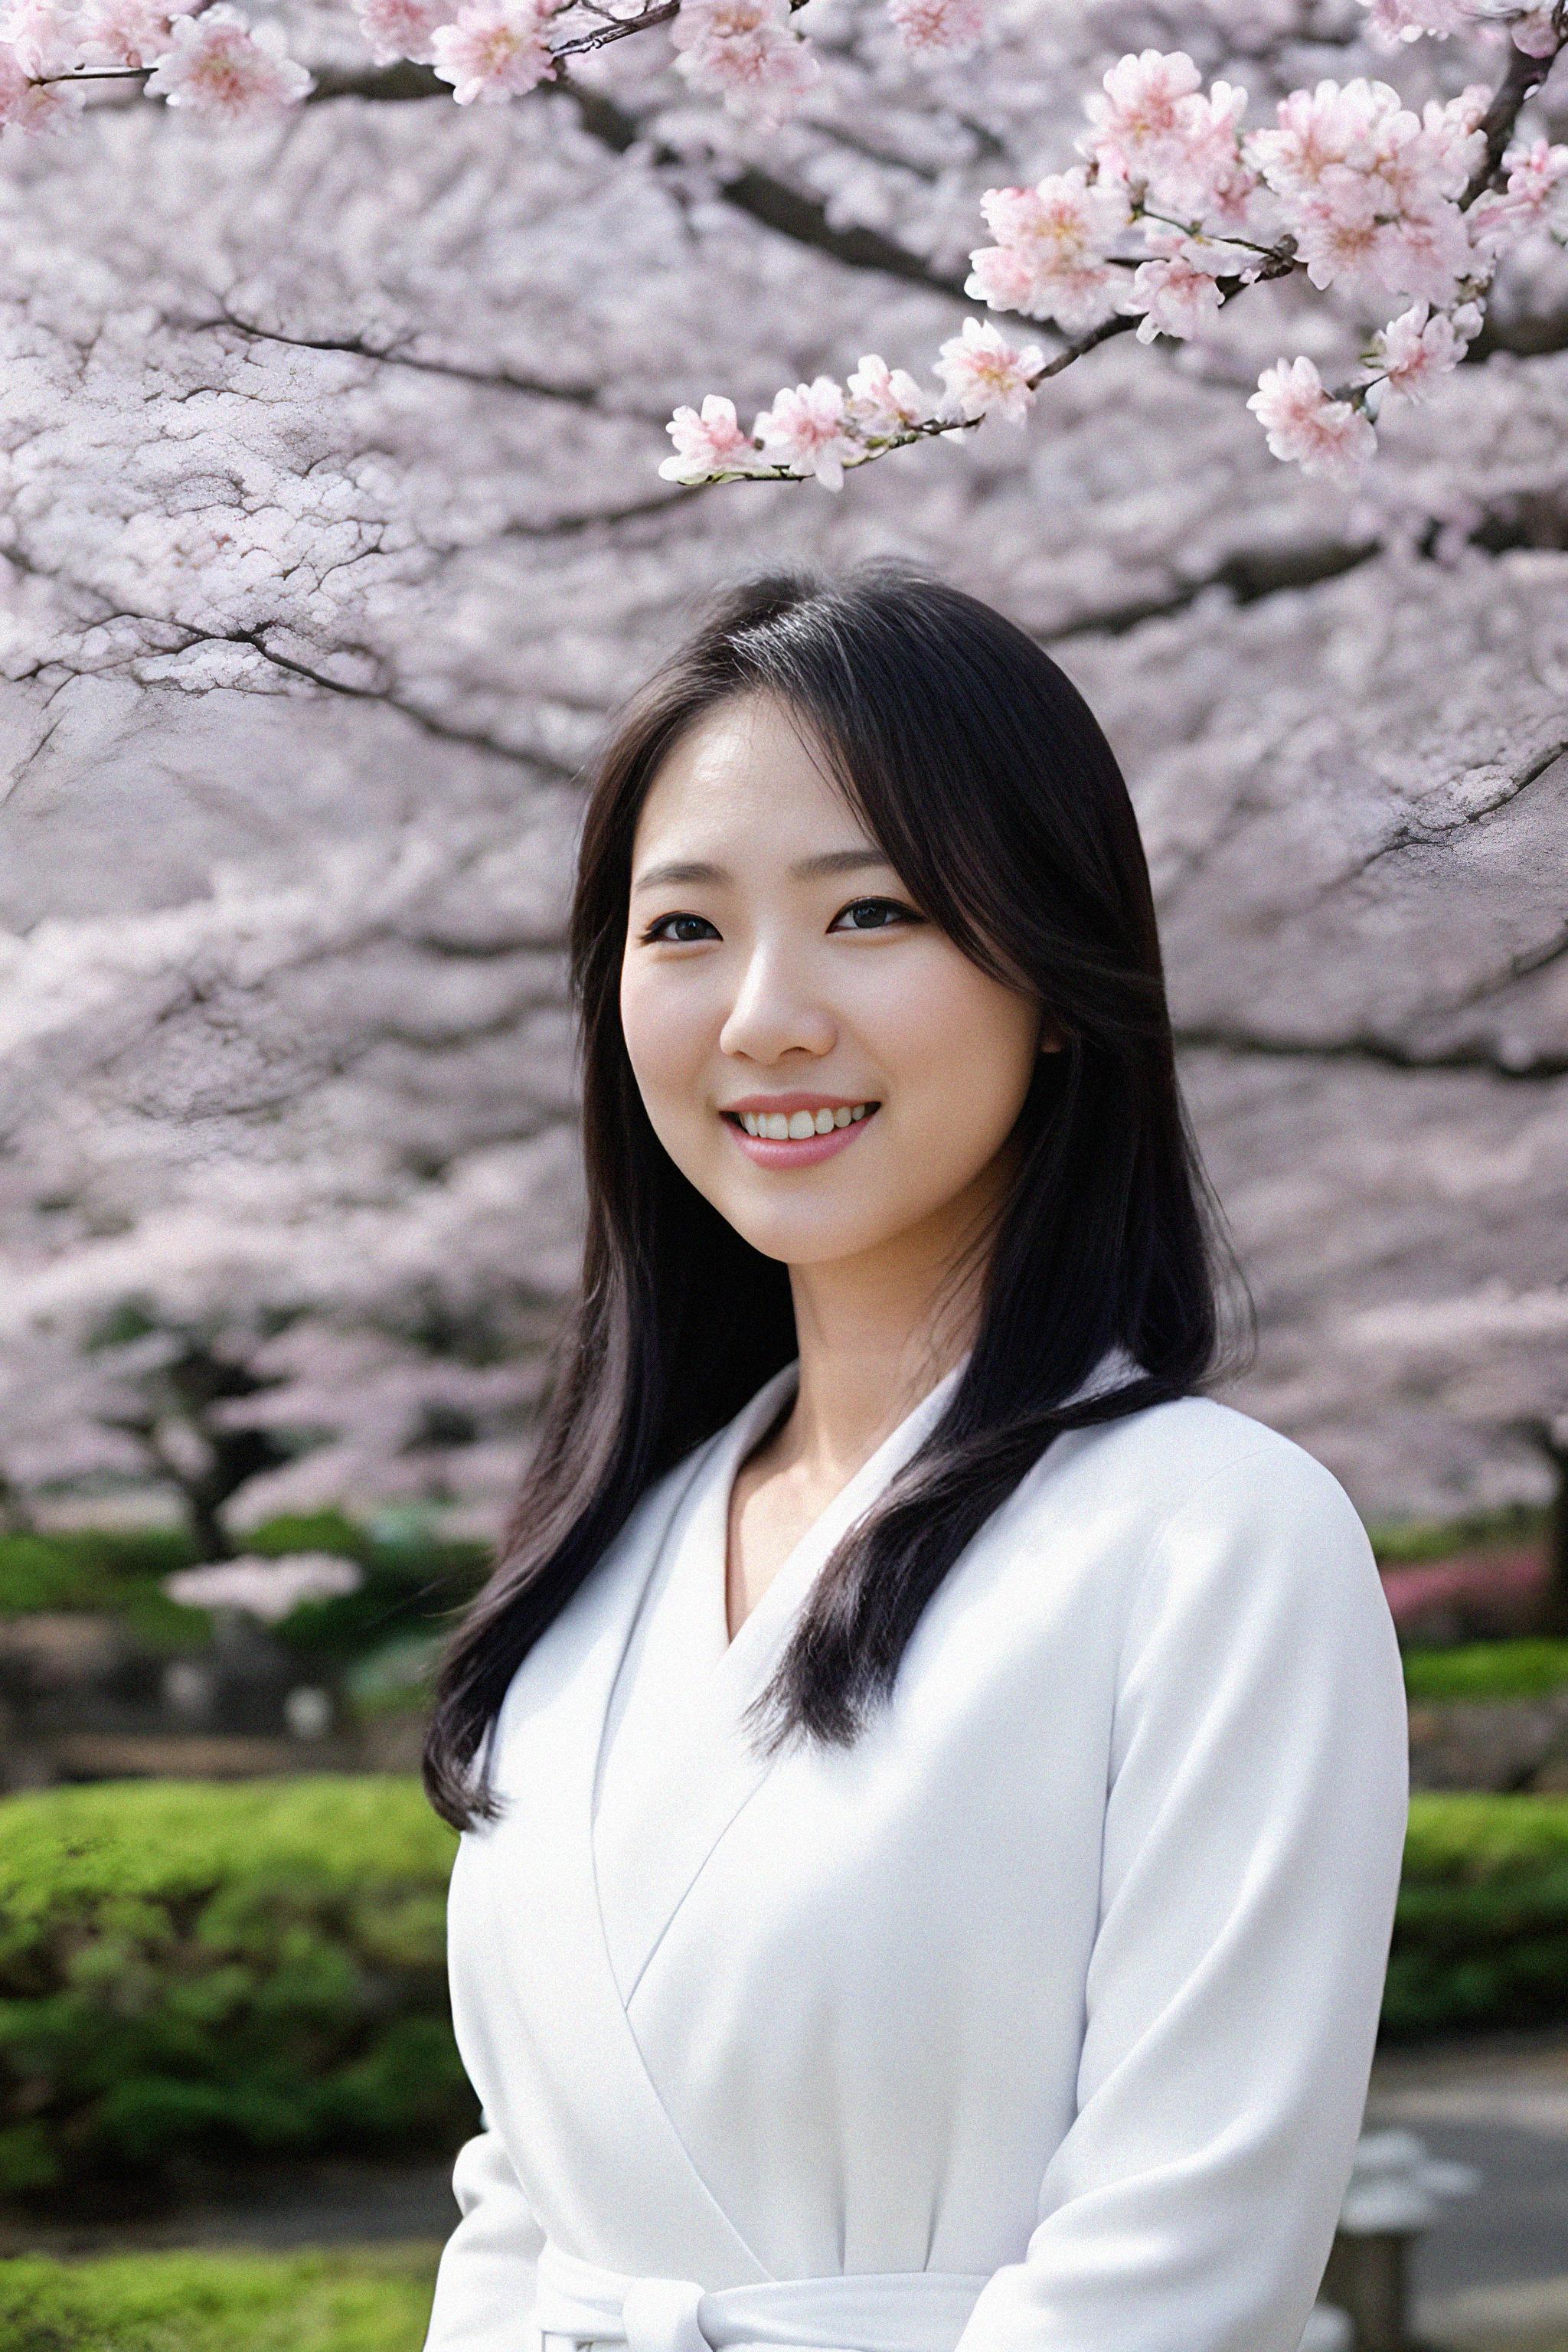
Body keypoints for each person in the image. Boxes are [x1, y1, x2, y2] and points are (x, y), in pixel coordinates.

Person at [419, 564, 1410, 2352]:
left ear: (1057, 974)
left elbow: (1177, 2279)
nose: (763, 1018)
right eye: (682, 928)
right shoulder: (608, 1552)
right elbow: (523, 2204)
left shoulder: (1215, 1543)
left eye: (868, 914)